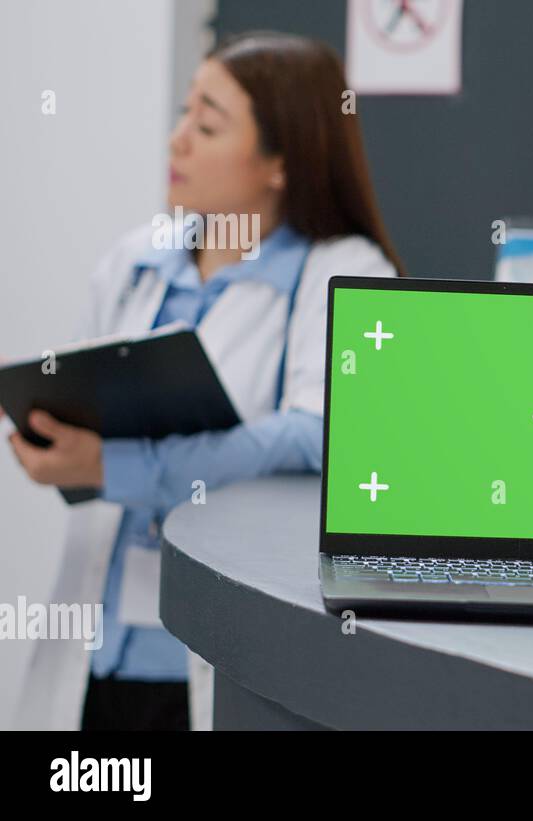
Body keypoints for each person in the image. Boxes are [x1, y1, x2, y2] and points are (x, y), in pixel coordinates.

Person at [6, 31, 402, 730]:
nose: (177, 141)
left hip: (211, 659)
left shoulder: (345, 271)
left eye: (207, 123)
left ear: (280, 162)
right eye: (184, 114)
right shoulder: (137, 261)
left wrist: (118, 464)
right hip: (99, 656)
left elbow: (309, 438)